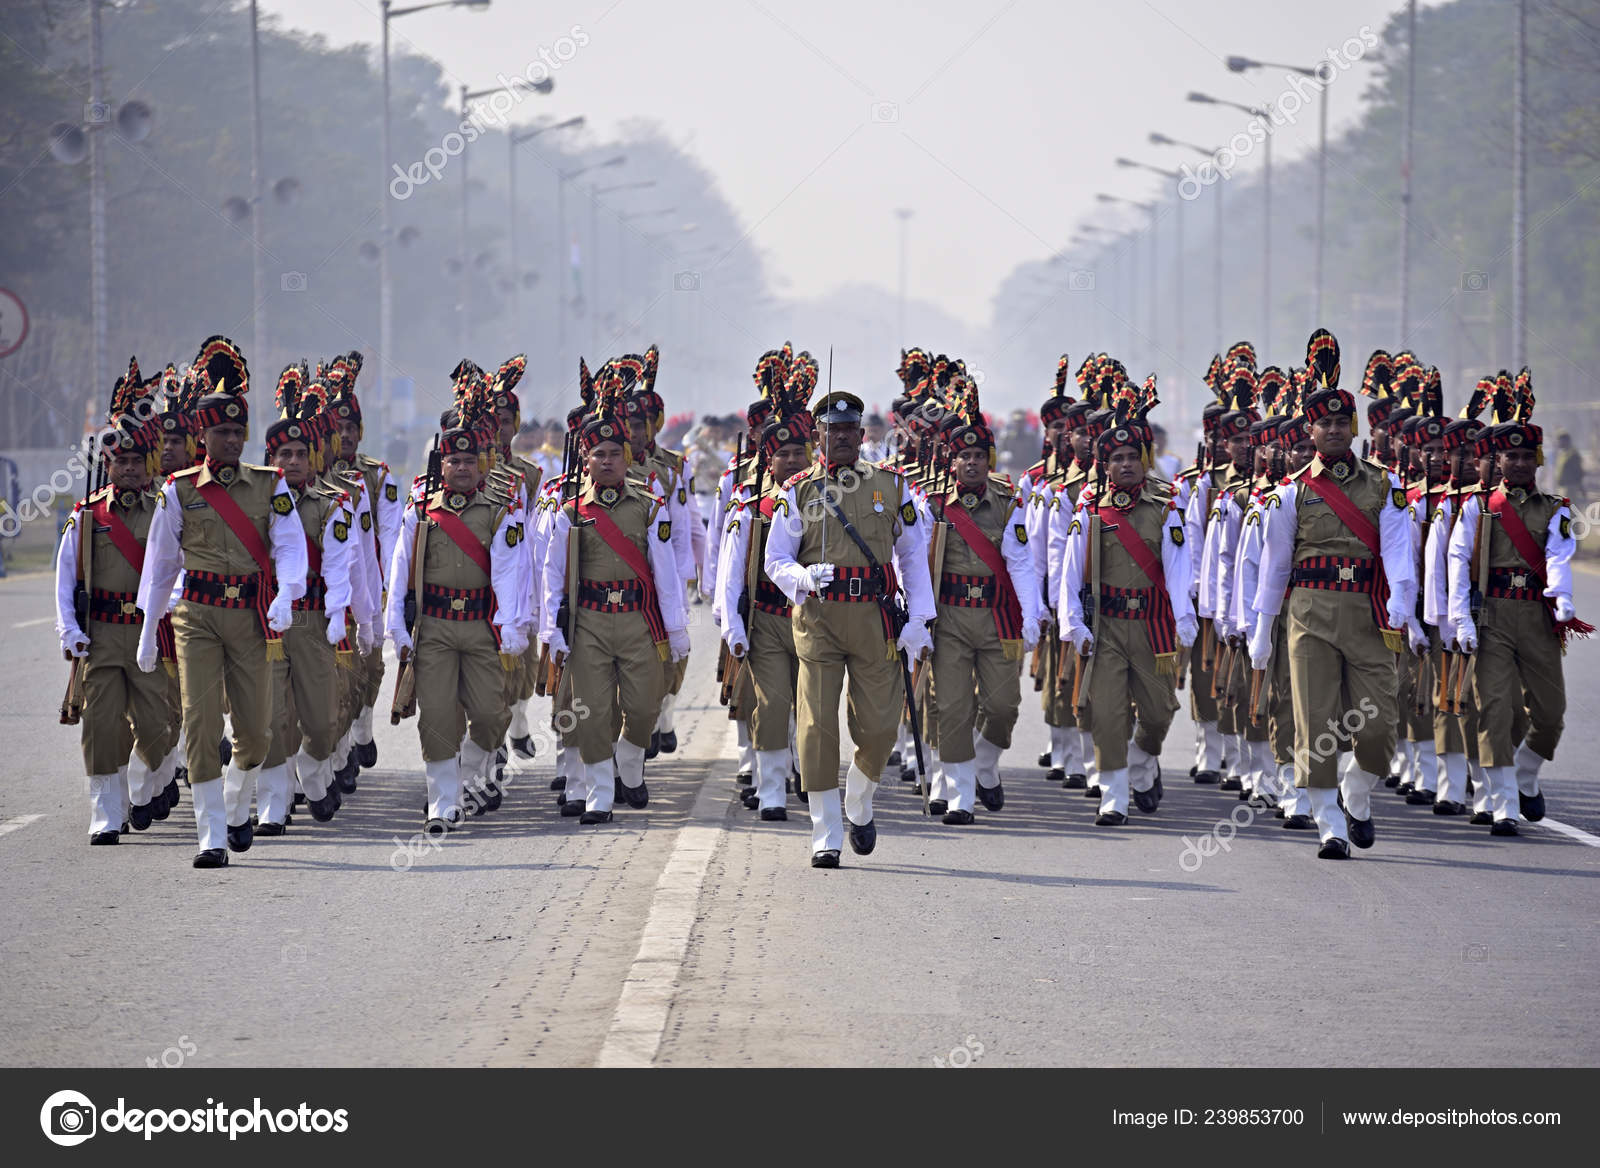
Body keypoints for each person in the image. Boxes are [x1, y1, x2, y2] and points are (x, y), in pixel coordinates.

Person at [134, 336, 310, 869]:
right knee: (201, 723)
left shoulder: (269, 485)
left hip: (252, 620)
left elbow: (290, 546)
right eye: (220, 431)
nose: (230, 439)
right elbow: (162, 564)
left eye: (238, 431)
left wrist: (287, 593)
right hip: (197, 620)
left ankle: (236, 807)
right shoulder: (179, 490)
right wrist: (148, 629)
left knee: (256, 733)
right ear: (202, 435)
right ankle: (210, 835)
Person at [1248, 330, 1415, 860]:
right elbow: (1275, 567)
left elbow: (1398, 554)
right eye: (1325, 423)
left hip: (1368, 614)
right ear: (1310, 431)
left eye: (1343, 422)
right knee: (1314, 721)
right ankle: (1329, 826)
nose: (1335, 430)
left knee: (1379, 727)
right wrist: (1260, 631)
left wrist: (1404, 607)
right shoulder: (1289, 493)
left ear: (1354, 428)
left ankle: (1357, 795)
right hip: (1308, 614)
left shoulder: (1384, 486)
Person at [764, 388, 935, 868]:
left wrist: (920, 617)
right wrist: (800, 577)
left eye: (848, 429)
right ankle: (826, 831)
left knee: (880, 728)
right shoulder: (797, 489)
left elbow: (912, 557)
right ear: (819, 435)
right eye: (831, 429)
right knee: (817, 726)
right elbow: (775, 558)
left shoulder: (892, 486)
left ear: (862, 435)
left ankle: (859, 798)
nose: (840, 436)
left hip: (874, 618)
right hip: (818, 618)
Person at [541, 368, 688, 824]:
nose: (606, 461)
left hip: (638, 621)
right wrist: (552, 631)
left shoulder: (650, 505)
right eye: (598, 454)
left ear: (627, 459)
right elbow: (552, 575)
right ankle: (599, 795)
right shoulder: (570, 510)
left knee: (644, 706)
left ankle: (630, 758)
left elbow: (665, 573)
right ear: (586, 460)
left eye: (614, 454)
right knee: (592, 711)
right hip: (588, 621)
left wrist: (678, 629)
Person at [386, 373, 527, 835]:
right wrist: (397, 625)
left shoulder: (501, 507)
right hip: (436, 627)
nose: (462, 468)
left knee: (490, 714)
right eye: (454, 460)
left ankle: (472, 773)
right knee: (439, 716)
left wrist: (511, 624)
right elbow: (401, 567)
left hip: (483, 625)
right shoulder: (421, 506)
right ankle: (442, 802)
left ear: (482, 464)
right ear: (440, 463)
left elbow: (509, 569)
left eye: (470, 460)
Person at [1448, 370, 1588, 836]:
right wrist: (1459, 619)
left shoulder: (1556, 508)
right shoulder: (1478, 506)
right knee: (1495, 708)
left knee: (1550, 713)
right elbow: (1456, 559)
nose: (1522, 464)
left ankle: (1526, 773)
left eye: (1529, 457)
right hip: (1492, 616)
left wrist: (1563, 596)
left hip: (1537, 616)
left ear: (1538, 460)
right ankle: (1503, 801)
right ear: (1497, 459)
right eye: (1512, 456)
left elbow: (1559, 554)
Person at [1059, 392, 1197, 826]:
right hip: (1107, 625)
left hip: (1153, 625)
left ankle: (1143, 760)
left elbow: (1178, 567)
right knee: (1107, 712)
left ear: (1145, 459)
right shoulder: (1090, 507)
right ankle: (1114, 795)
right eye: (1116, 457)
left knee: (1159, 712)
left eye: (1132, 456)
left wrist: (1185, 617)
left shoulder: (1166, 505)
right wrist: (1072, 621)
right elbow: (1070, 567)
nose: (1125, 464)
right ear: (1105, 463)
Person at [56, 360, 175, 845]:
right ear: (108, 465)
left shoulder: (166, 510)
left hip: (148, 635)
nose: (127, 469)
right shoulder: (86, 516)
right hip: (101, 636)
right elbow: (66, 578)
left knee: (156, 728)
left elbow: (179, 571)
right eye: (119, 461)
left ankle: (146, 787)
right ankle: (105, 814)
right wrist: (70, 630)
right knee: (101, 727)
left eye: (135, 461)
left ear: (147, 463)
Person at [255, 370, 359, 832]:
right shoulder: (255, 502)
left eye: (301, 453)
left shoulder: (332, 504)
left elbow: (339, 565)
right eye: (284, 454)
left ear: (315, 457)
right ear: (271, 457)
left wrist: (338, 613)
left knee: (320, 722)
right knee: (271, 718)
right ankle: (273, 806)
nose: (293, 461)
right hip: (270, 625)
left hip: (314, 621)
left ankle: (315, 777)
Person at [926, 413, 1041, 824]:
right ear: (951, 461)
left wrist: (1032, 614)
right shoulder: (933, 502)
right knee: (953, 708)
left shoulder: (1009, 501)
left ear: (988, 459)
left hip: (997, 618)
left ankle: (986, 763)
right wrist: (918, 618)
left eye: (978, 455)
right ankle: (960, 795)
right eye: (963, 456)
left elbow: (1022, 562)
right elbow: (917, 565)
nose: (971, 463)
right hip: (951, 618)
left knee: (1003, 706)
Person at [717, 360, 817, 819]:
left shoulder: (830, 500)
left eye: (800, 453)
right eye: (784, 455)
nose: (793, 461)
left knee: (811, 706)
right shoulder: (749, 506)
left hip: (816, 621)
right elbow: (730, 571)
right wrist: (732, 625)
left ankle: (811, 778)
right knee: (773, 704)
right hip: (767, 621)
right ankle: (771, 788)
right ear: (768, 460)